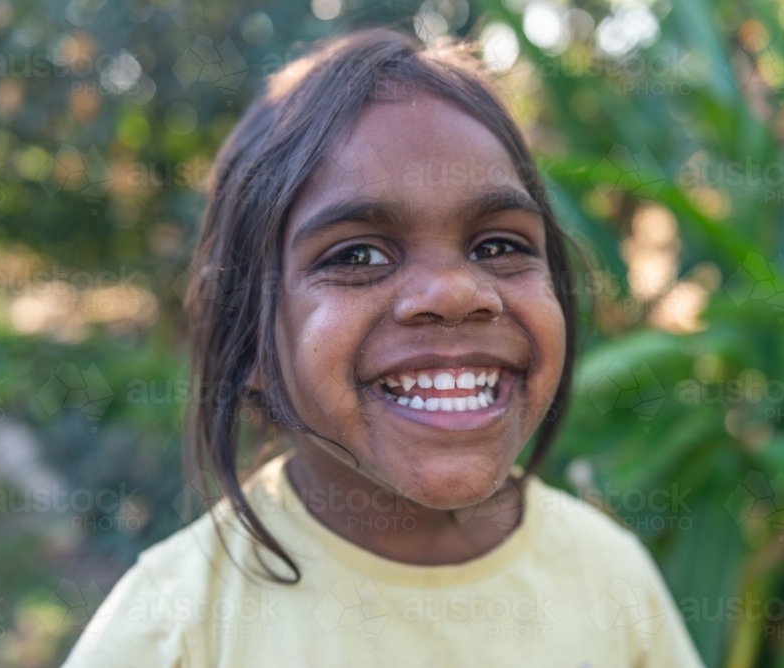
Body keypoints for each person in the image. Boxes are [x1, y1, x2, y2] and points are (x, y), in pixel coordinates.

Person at [62, 27, 705, 668]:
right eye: (359, 254)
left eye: (498, 246)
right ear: (246, 335)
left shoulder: (611, 578)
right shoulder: (172, 629)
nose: (457, 292)